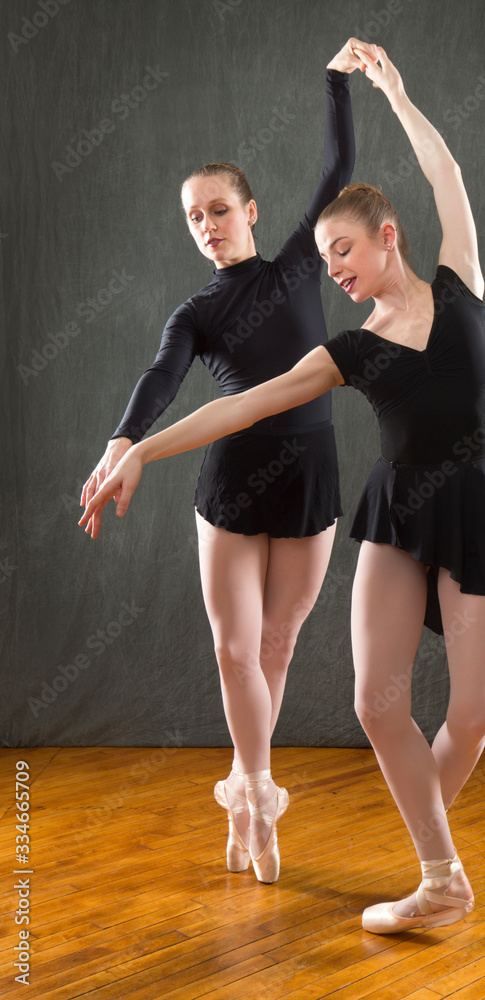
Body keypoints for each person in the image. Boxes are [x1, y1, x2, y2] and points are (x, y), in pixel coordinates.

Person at [80, 44, 485, 932]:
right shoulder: (349, 349)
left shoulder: (463, 284)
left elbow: (443, 171)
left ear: (387, 237)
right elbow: (240, 405)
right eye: (324, 256)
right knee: (371, 699)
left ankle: (425, 843)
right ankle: (440, 874)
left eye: (343, 252)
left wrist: (396, 94)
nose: (331, 269)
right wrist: (139, 448)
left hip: (473, 511)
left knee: (475, 717)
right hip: (393, 517)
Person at [80, 40, 363, 885]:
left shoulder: (298, 266)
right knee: (236, 653)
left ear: (250, 210)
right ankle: (262, 795)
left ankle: (242, 794)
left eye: (217, 209)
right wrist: (122, 440)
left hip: (312, 475)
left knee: (276, 649)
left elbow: (340, 165)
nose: (206, 226)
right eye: (193, 217)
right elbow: (159, 380)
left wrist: (335, 80)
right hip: (233, 486)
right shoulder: (194, 312)